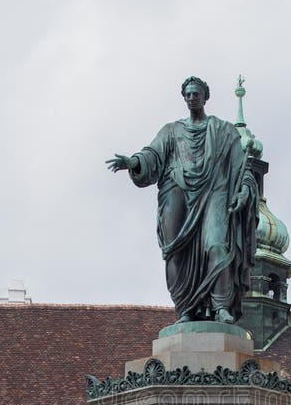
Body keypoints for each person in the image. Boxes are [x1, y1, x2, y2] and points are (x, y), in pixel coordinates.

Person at [107, 75, 258, 324]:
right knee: (174, 252)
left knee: (217, 245)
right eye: (187, 94)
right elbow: (152, 155)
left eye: (195, 93)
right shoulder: (171, 131)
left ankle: (221, 306)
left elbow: (242, 169)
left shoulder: (224, 131)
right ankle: (185, 308)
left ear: (205, 96)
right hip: (177, 192)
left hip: (214, 194)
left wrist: (243, 190)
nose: (191, 98)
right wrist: (132, 162)